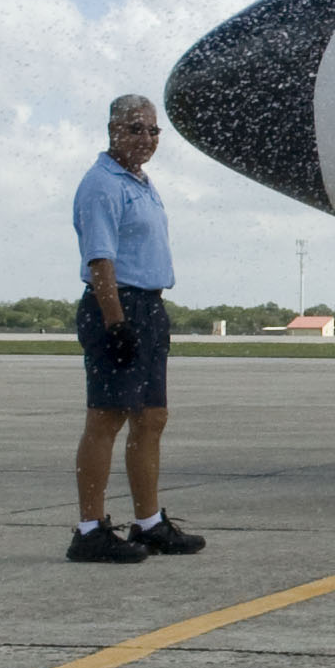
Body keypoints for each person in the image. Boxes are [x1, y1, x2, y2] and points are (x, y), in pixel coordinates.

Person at [69, 94, 206, 563]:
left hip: (148, 306)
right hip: (118, 305)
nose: (145, 139)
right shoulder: (102, 185)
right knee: (106, 417)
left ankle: (148, 523)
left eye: (152, 130)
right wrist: (115, 322)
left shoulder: (142, 183)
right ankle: (89, 529)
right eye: (134, 129)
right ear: (112, 130)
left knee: (151, 418)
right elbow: (101, 258)